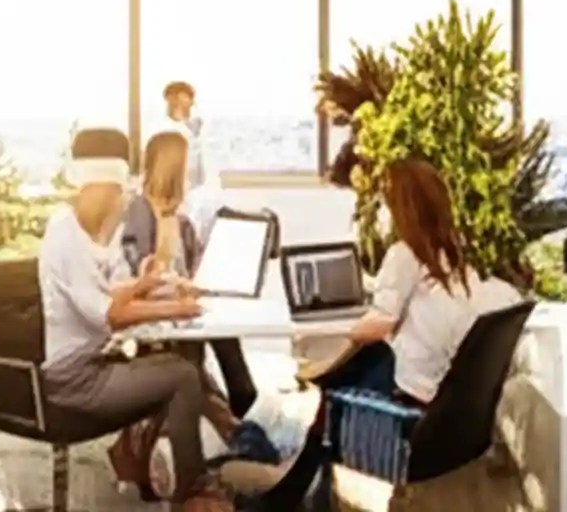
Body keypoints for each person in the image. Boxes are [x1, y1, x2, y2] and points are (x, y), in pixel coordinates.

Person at [262, 158, 524, 510]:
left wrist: (339, 330)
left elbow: (380, 324)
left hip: (412, 400)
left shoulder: (405, 254)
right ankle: (304, 495)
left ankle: (284, 499)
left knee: (336, 384)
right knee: (352, 368)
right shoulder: (451, 252)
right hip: (439, 397)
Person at [36, 126, 229, 511]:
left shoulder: (87, 232)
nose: (120, 199)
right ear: (99, 187)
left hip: (97, 363)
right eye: (115, 191)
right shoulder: (65, 235)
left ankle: (146, 461)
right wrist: (175, 308)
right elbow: (113, 315)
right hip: (74, 379)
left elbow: (111, 294)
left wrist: (144, 283)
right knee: (182, 375)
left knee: (174, 366)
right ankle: (190, 491)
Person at [109, 130, 256, 499]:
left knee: (224, 336)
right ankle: (235, 429)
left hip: (180, 311)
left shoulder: (184, 220)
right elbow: (136, 274)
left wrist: (194, 284)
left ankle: (240, 422)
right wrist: (174, 287)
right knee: (199, 354)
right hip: (152, 314)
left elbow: (190, 271)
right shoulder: (138, 212)